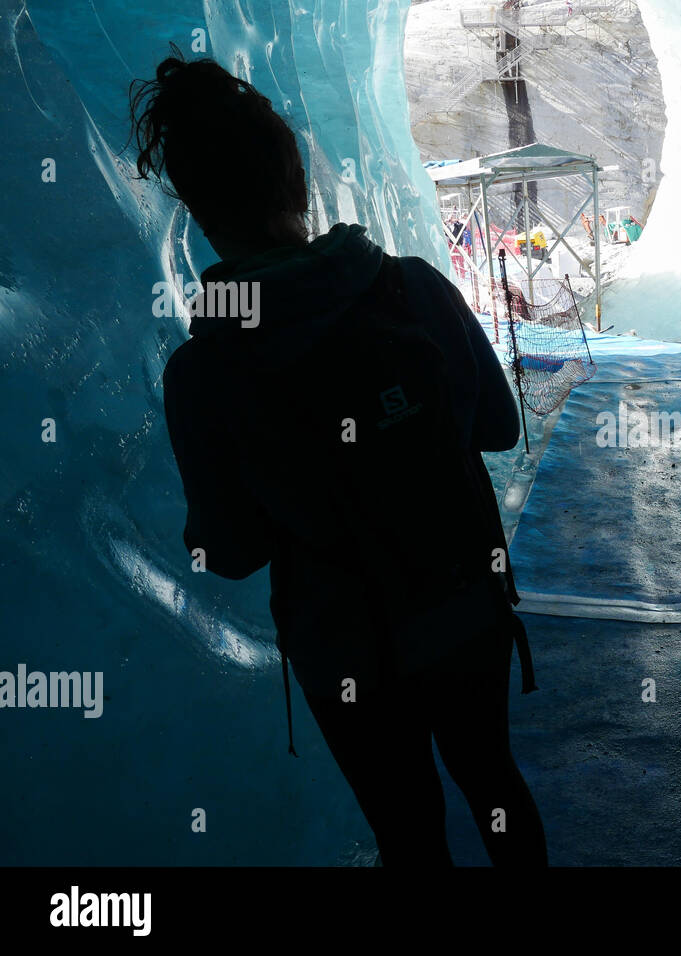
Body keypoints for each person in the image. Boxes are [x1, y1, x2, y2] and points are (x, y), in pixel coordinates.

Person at [129, 49, 546, 866]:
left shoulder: (204, 371)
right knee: (494, 784)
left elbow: (234, 552)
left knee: (408, 831)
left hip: (344, 650)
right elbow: (499, 426)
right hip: (461, 608)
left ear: (200, 212)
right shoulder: (414, 289)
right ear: (298, 180)